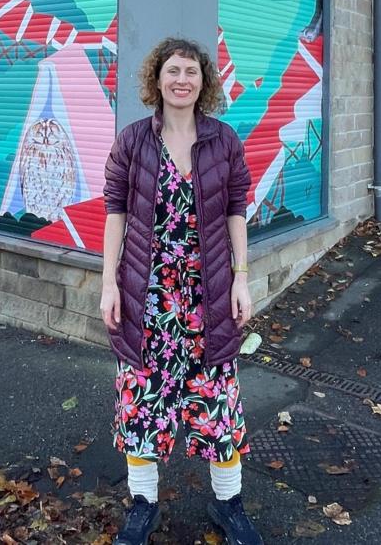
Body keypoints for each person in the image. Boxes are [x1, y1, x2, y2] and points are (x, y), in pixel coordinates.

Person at [101, 38, 262, 545]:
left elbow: (237, 208)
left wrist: (241, 275)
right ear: (157, 79)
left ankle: (228, 504)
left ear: (203, 82)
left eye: (191, 71)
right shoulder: (132, 141)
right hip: (145, 295)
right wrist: (109, 284)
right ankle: (143, 505)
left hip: (208, 295)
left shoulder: (224, 141)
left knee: (217, 401)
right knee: (143, 400)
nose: (181, 80)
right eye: (172, 70)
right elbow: (114, 213)